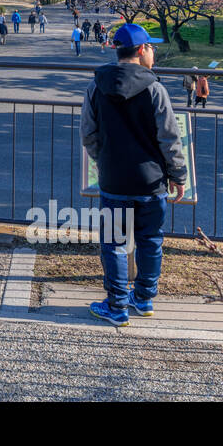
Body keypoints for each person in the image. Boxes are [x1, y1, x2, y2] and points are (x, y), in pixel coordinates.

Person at [80, 23, 187, 327]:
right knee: (150, 239)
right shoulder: (155, 88)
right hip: (151, 182)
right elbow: (169, 139)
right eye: (150, 47)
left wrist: (105, 160)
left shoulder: (96, 85)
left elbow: (88, 133)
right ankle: (144, 298)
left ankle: (116, 306)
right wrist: (178, 175)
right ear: (141, 50)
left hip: (114, 179)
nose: (153, 51)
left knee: (113, 243)